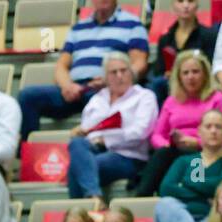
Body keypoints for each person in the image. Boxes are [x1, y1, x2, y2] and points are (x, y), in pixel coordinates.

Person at [18, 0, 150, 138]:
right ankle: (27, 153)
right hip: (75, 89)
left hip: (106, 89)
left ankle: (95, 149)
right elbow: (61, 65)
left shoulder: (133, 24)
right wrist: (67, 86)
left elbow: (139, 63)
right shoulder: (78, 28)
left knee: (101, 101)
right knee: (28, 96)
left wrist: (111, 81)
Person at [135, 51, 222, 197]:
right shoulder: (171, 101)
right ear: (179, 76)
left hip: (203, 150)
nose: (190, 77)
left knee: (195, 158)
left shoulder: (217, 98)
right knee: (161, 155)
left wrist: (198, 142)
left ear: (205, 74)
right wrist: (168, 144)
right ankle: (142, 199)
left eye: (195, 72)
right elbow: (157, 135)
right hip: (174, 150)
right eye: (185, 73)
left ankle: (195, 201)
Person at [67, 54, 159, 202]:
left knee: (79, 167)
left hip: (129, 156)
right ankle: (93, 199)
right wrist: (80, 132)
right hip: (95, 151)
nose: (119, 76)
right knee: (76, 143)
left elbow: (140, 133)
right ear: (106, 77)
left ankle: (86, 208)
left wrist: (106, 140)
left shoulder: (144, 96)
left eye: (124, 71)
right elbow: (87, 129)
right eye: (114, 72)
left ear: (131, 73)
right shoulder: (97, 99)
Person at [150, 0, 219, 103]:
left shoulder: (209, 36)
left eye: (190, 1)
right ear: (173, 5)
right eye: (180, 1)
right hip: (171, 86)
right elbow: (159, 70)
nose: (186, 5)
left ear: (197, 5)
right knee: (157, 83)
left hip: (200, 85)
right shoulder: (165, 39)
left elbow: (212, 66)